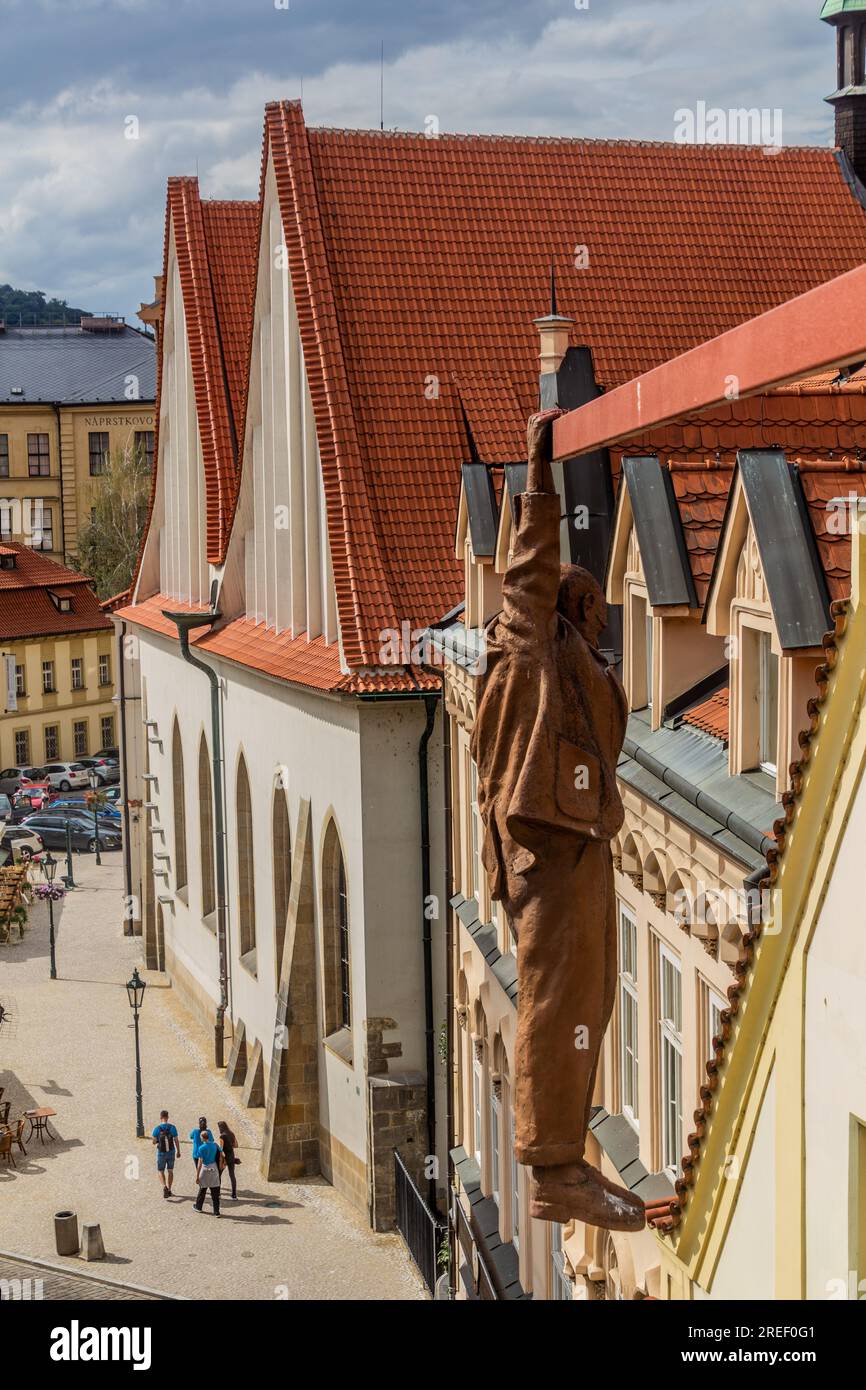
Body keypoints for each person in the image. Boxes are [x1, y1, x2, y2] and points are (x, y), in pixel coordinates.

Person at [471, 408, 644, 1233]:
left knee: (588, 997)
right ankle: (551, 1169)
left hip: (572, 839)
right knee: (555, 1000)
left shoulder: (567, 659)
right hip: (549, 844)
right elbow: (527, 578)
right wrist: (539, 481)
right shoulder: (531, 643)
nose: (607, 622)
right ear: (569, 604)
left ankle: (567, 1159)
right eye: (598, 607)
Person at [151, 1109, 180, 1199]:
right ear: (167, 1117)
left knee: (160, 1171)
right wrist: (178, 1151)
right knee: (170, 1171)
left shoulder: (157, 1129)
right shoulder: (172, 1127)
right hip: (171, 1151)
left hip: (161, 1153)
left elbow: (154, 1141)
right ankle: (170, 1189)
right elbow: (176, 1140)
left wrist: (158, 1140)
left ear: (160, 1118)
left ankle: (164, 1187)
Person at [194, 1130, 223, 1216]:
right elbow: (222, 1153)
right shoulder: (215, 1145)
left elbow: (200, 1162)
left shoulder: (201, 1148)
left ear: (202, 1138)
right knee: (215, 1191)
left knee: (202, 1189)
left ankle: (198, 1207)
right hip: (214, 1168)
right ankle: (216, 1211)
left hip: (205, 1168)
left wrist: (197, 1175)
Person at [217, 1120, 239, 1199]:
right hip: (231, 1156)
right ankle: (234, 1195)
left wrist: (221, 1161)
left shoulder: (222, 1136)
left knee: (219, 1174)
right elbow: (236, 1145)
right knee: (232, 1175)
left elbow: (221, 1150)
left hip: (225, 1157)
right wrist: (230, 1146)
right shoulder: (231, 1133)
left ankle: (218, 1193)